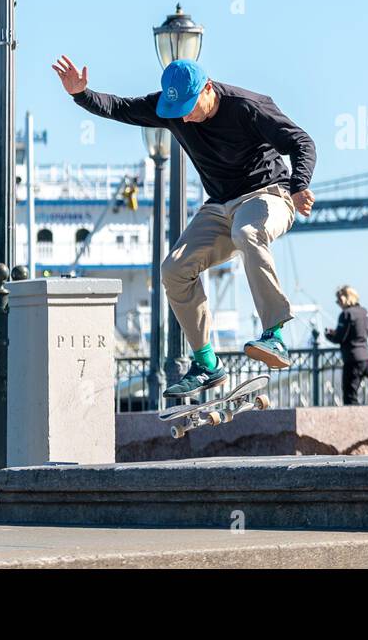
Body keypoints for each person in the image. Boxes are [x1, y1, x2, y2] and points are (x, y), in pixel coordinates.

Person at [51, 54, 316, 399]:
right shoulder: (170, 109)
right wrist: (81, 94)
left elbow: (302, 142)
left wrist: (299, 185)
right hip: (220, 206)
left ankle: (274, 335)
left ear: (208, 89)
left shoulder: (248, 107)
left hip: (270, 194)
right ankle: (206, 364)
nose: (186, 118)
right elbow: (121, 108)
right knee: (174, 269)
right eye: (179, 113)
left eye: (192, 107)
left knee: (247, 233)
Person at [323, 285, 368, 405]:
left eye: (338, 300)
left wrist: (329, 335)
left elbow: (340, 337)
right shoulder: (364, 312)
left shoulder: (346, 314)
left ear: (344, 299)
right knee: (355, 392)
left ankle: (353, 422)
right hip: (366, 358)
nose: (338, 304)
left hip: (353, 358)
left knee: (349, 395)